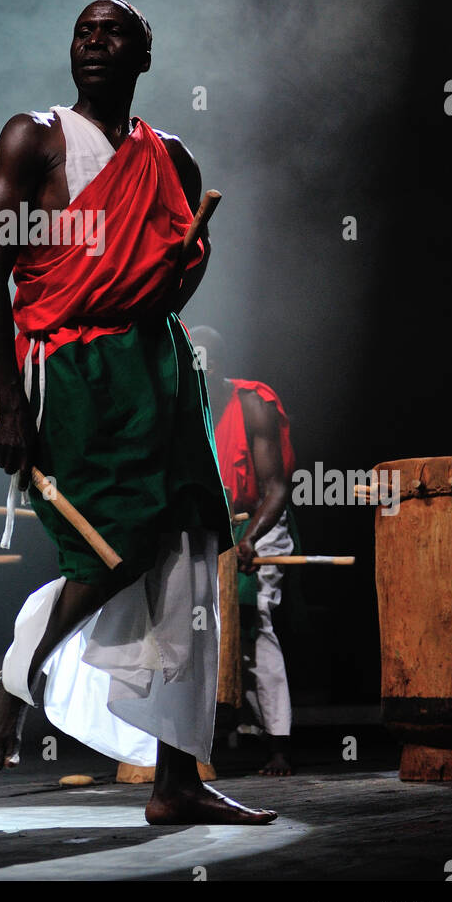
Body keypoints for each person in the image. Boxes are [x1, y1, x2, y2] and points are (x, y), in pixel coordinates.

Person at [0, 0, 277, 825]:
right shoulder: (34, 136)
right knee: (119, 541)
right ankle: (17, 671)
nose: (95, 44)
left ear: (144, 56)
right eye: (83, 31)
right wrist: (8, 400)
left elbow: (178, 278)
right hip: (70, 363)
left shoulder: (168, 154)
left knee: (185, 552)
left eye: (115, 35)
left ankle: (177, 779)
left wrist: (174, 274)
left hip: (157, 363)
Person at [190, 327, 296, 776]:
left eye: (203, 360)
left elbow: (276, 488)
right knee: (196, 629)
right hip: (209, 530)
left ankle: (277, 745)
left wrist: (249, 539)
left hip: (257, 525)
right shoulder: (179, 406)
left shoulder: (251, 404)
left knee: (256, 625)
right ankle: (198, 741)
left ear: (215, 365)